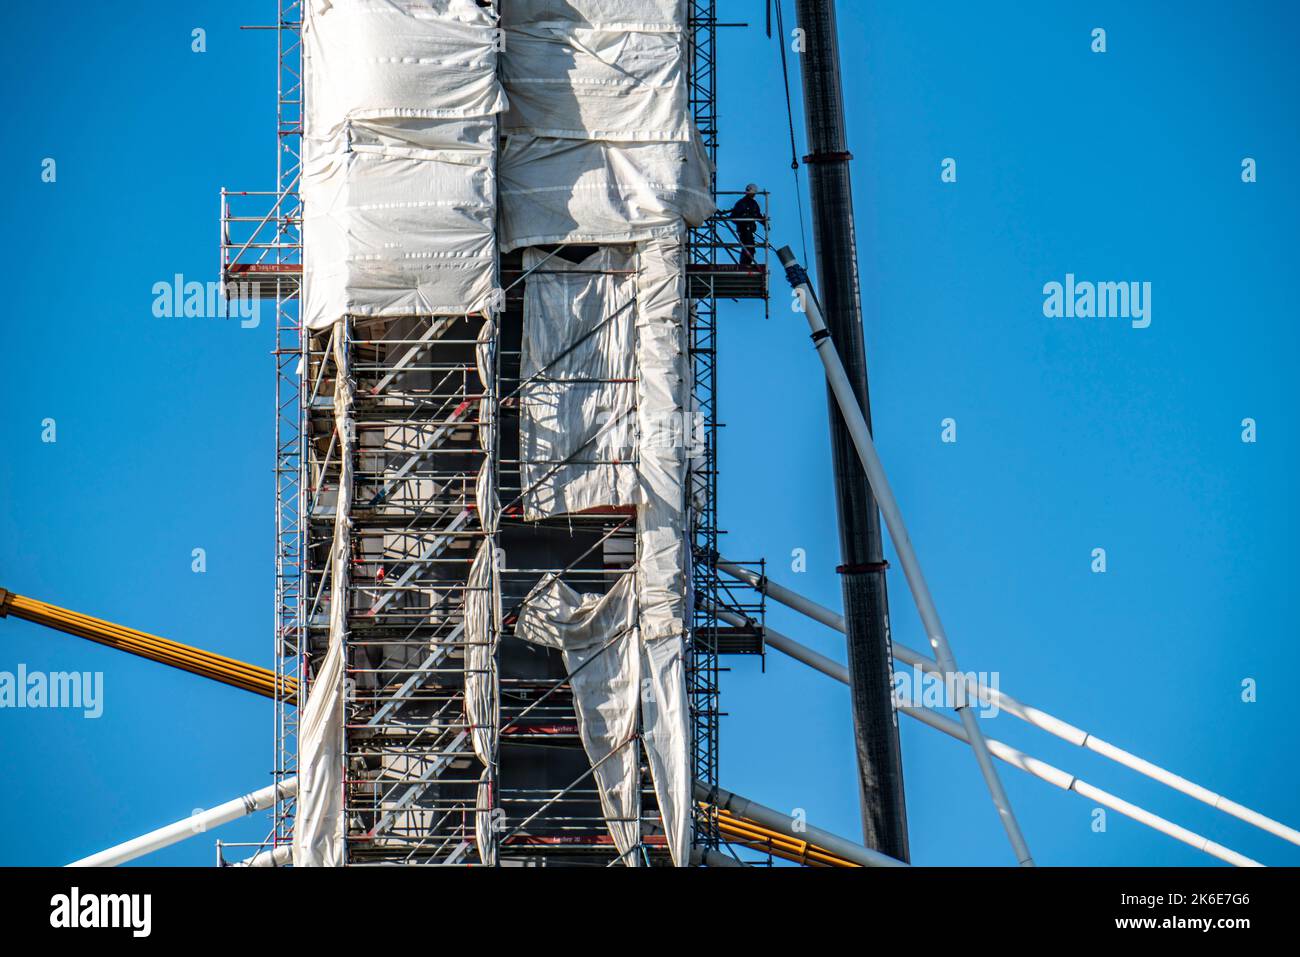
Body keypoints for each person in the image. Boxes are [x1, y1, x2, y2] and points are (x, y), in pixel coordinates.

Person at [730, 184, 762, 266]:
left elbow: (758, 215)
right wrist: (743, 221)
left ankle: (746, 264)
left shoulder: (753, 204)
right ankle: (744, 264)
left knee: (750, 248)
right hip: (743, 229)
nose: (754, 194)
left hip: (749, 229)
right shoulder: (741, 203)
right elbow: (733, 217)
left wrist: (764, 223)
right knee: (747, 247)